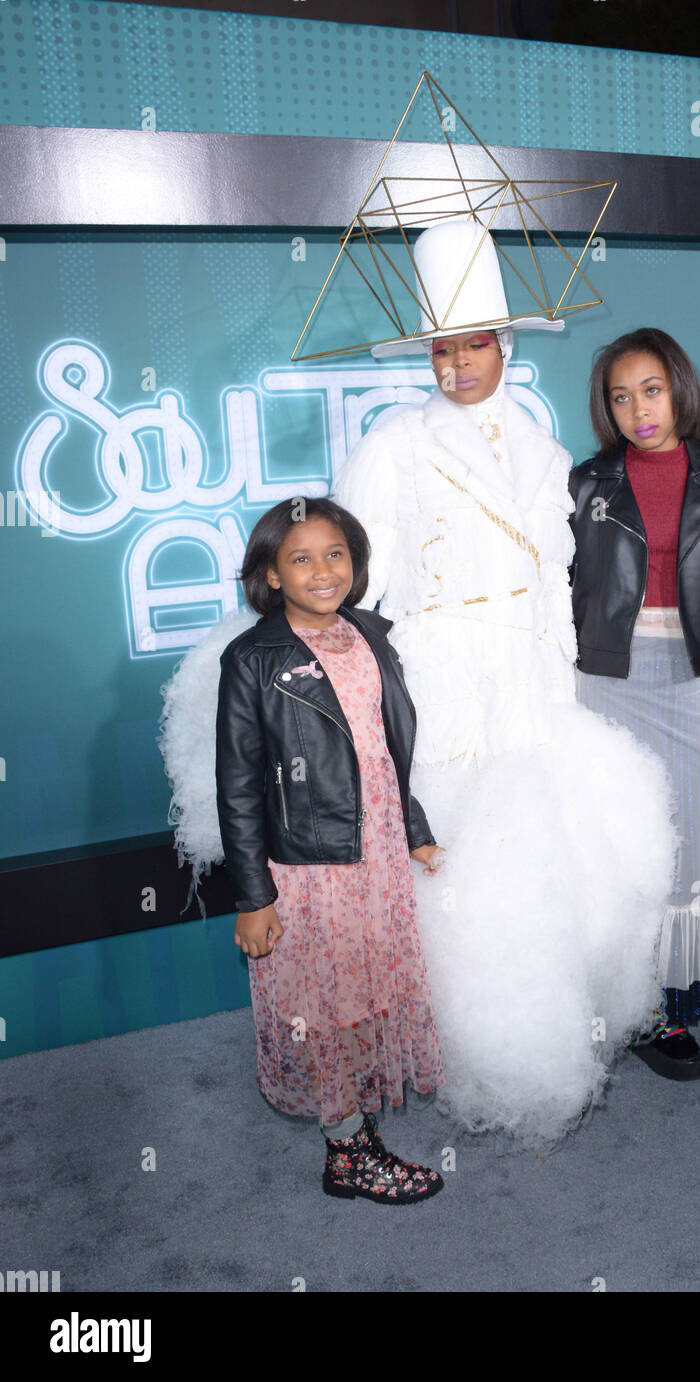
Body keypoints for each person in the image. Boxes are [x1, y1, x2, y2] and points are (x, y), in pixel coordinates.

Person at [330, 219, 677, 1148]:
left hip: (530, 679)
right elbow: (354, 586)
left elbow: (560, 583)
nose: (455, 365)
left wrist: (563, 684)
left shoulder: (541, 447)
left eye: (472, 344)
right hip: (444, 678)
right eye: (440, 348)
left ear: (504, 344)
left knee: (544, 861)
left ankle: (555, 1030)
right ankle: (467, 1051)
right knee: (454, 867)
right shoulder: (392, 444)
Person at [215, 495, 446, 1202]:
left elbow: (382, 751)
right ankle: (347, 1149)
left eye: (335, 553)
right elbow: (239, 786)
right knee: (324, 1002)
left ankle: (355, 1132)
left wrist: (411, 826)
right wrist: (254, 897)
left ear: (356, 560)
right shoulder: (254, 658)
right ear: (272, 575)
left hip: (374, 852)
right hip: (308, 865)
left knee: (367, 992)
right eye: (301, 558)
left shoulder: (371, 633)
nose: (323, 570)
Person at [569, 328, 700, 1080]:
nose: (637, 409)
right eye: (619, 397)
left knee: (685, 850)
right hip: (601, 682)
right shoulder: (585, 484)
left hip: (687, 681)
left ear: (678, 388)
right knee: (611, 848)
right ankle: (612, 997)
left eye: (649, 389)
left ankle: (668, 1011)